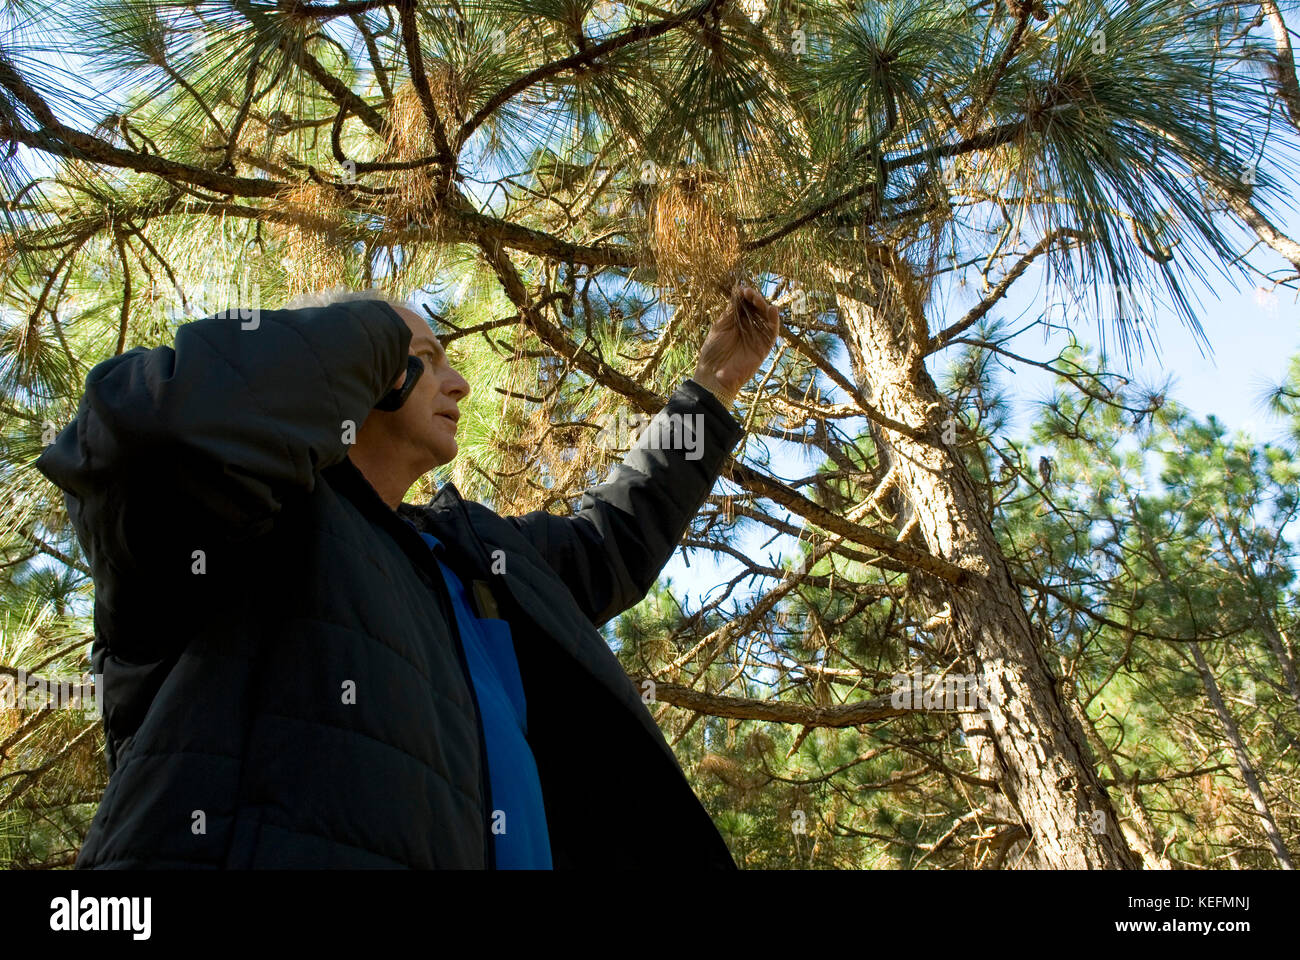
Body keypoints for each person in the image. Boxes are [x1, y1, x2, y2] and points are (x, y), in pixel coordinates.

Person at [34, 281, 780, 869]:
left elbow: (611, 538)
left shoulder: (470, 555)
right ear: (365, 374)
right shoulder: (245, 521)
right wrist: (375, 327)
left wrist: (712, 388)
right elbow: (150, 436)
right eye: (425, 359)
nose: (457, 384)